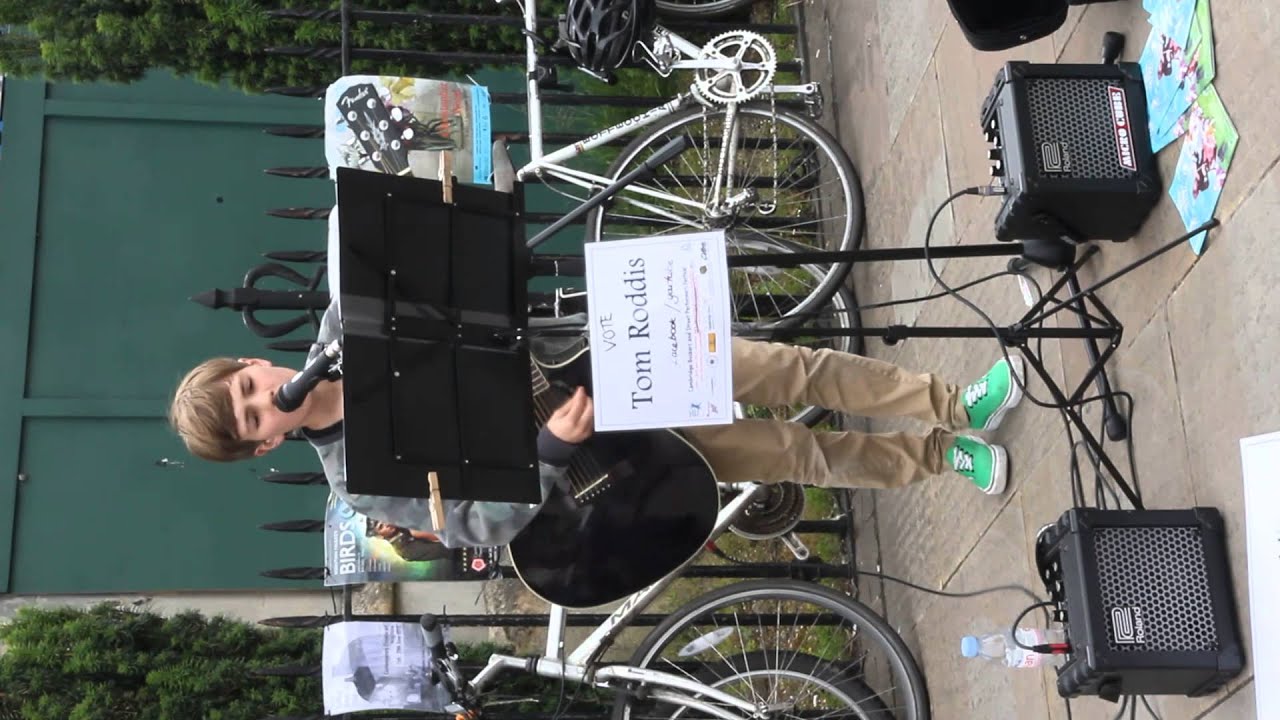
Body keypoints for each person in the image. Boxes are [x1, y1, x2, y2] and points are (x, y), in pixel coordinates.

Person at [169, 300, 1024, 549]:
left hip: (596, 360)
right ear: (266, 442)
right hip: (606, 448)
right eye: (252, 419)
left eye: (249, 386)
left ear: (254, 363)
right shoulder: (358, 482)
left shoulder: (348, 319)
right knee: (791, 451)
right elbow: (475, 525)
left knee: (788, 369)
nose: (263, 399)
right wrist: (549, 453)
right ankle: (939, 455)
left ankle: (953, 404)